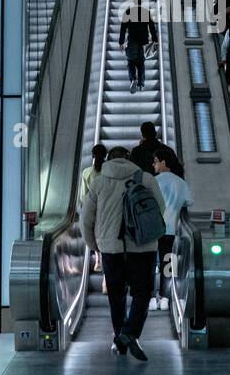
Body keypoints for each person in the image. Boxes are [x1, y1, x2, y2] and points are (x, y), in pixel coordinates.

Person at [81, 145, 166, 361]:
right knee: (142, 293)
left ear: (109, 159)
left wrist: (95, 245)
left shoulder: (98, 183)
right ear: (129, 159)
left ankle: (120, 339)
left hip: (111, 249)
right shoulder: (146, 178)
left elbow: (85, 220)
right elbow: (160, 208)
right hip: (143, 247)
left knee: (116, 296)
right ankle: (129, 332)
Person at [152, 146, 192, 311]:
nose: (153, 165)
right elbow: (189, 202)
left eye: (155, 162)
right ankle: (167, 297)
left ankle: (153, 298)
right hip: (172, 230)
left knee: (151, 265)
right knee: (169, 265)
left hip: (153, 230)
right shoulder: (181, 183)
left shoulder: (154, 181)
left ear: (163, 163)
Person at [81, 144, 108, 290]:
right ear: (106, 155)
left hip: (92, 212)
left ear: (92, 155)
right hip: (108, 212)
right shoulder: (109, 172)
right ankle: (106, 281)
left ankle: (98, 259)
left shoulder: (86, 173)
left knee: (94, 236)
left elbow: (83, 197)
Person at [118, 0, 157, 93]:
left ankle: (133, 79)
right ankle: (141, 84)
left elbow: (123, 28)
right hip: (144, 42)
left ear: (134, 1)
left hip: (132, 41)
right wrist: (155, 41)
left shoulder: (128, 12)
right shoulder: (146, 12)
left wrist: (121, 42)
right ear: (141, 1)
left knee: (131, 62)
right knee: (141, 64)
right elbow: (152, 27)